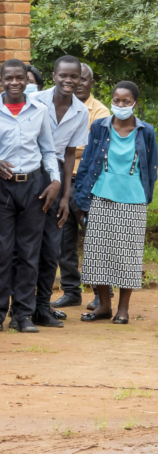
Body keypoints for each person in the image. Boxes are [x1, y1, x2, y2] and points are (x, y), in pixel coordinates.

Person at [0, 59, 61, 334]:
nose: (14, 82)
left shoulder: (40, 110)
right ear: (0, 80)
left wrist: (55, 180)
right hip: (2, 187)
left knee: (29, 253)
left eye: (19, 78)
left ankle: (23, 314)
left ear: (26, 80)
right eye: (9, 78)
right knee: (2, 253)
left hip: (34, 186)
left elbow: (48, 150)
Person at [71, 82, 155, 325]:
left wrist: (146, 197)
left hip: (133, 200)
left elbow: (151, 168)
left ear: (135, 104)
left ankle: (123, 309)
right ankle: (104, 306)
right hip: (100, 196)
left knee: (128, 256)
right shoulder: (100, 127)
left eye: (126, 102)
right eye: (116, 100)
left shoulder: (146, 131)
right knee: (98, 254)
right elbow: (87, 162)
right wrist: (81, 200)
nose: (120, 105)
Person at [30, 56, 87, 328]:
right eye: (63, 75)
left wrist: (65, 196)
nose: (68, 80)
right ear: (54, 76)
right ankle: (22, 304)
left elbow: (69, 154)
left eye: (74, 76)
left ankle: (43, 307)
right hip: (30, 172)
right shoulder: (35, 100)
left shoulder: (81, 111)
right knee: (26, 245)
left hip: (56, 178)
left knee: (51, 247)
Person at [58, 63, 109, 309]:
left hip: (89, 184)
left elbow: (94, 149)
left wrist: (66, 147)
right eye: (76, 79)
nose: (78, 84)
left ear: (91, 83)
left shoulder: (100, 111)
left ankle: (101, 294)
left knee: (95, 239)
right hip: (61, 182)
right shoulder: (59, 105)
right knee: (63, 240)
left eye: (83, 79)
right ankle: (71, 291)